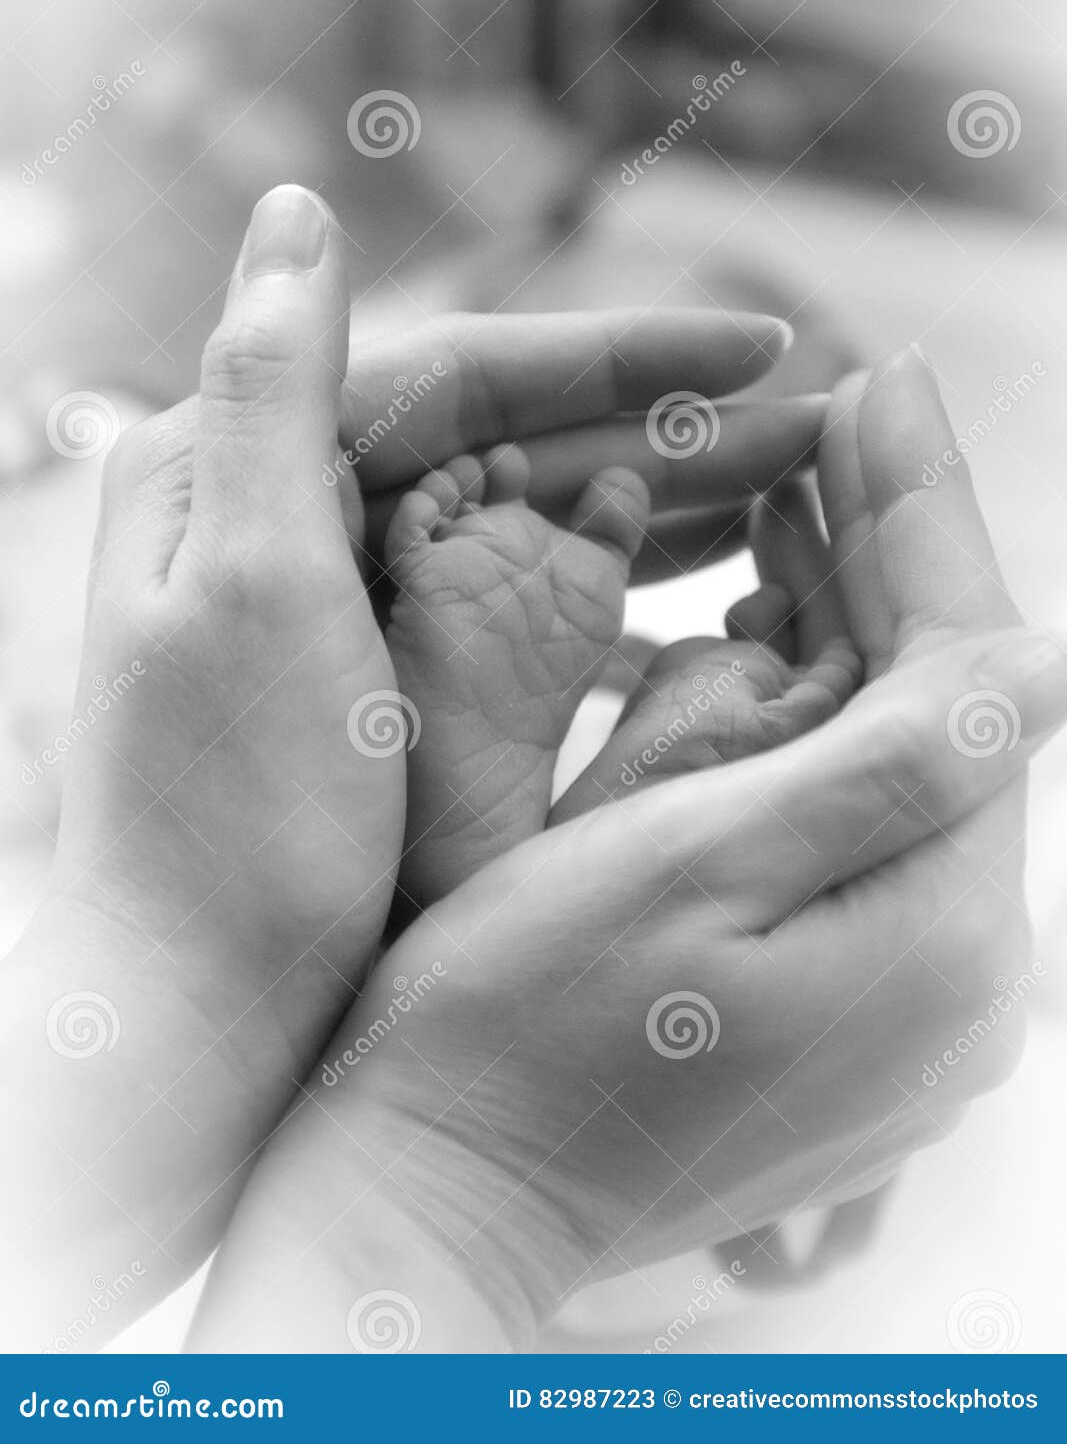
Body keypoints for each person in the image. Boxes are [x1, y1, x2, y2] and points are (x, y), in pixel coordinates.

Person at [2, 187, 1060, 1354]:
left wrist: (186, 951)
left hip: (512, 1079)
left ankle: (476, 898)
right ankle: (507, 899)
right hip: (617, 1143)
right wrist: (465, 1182)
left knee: (773, 844)